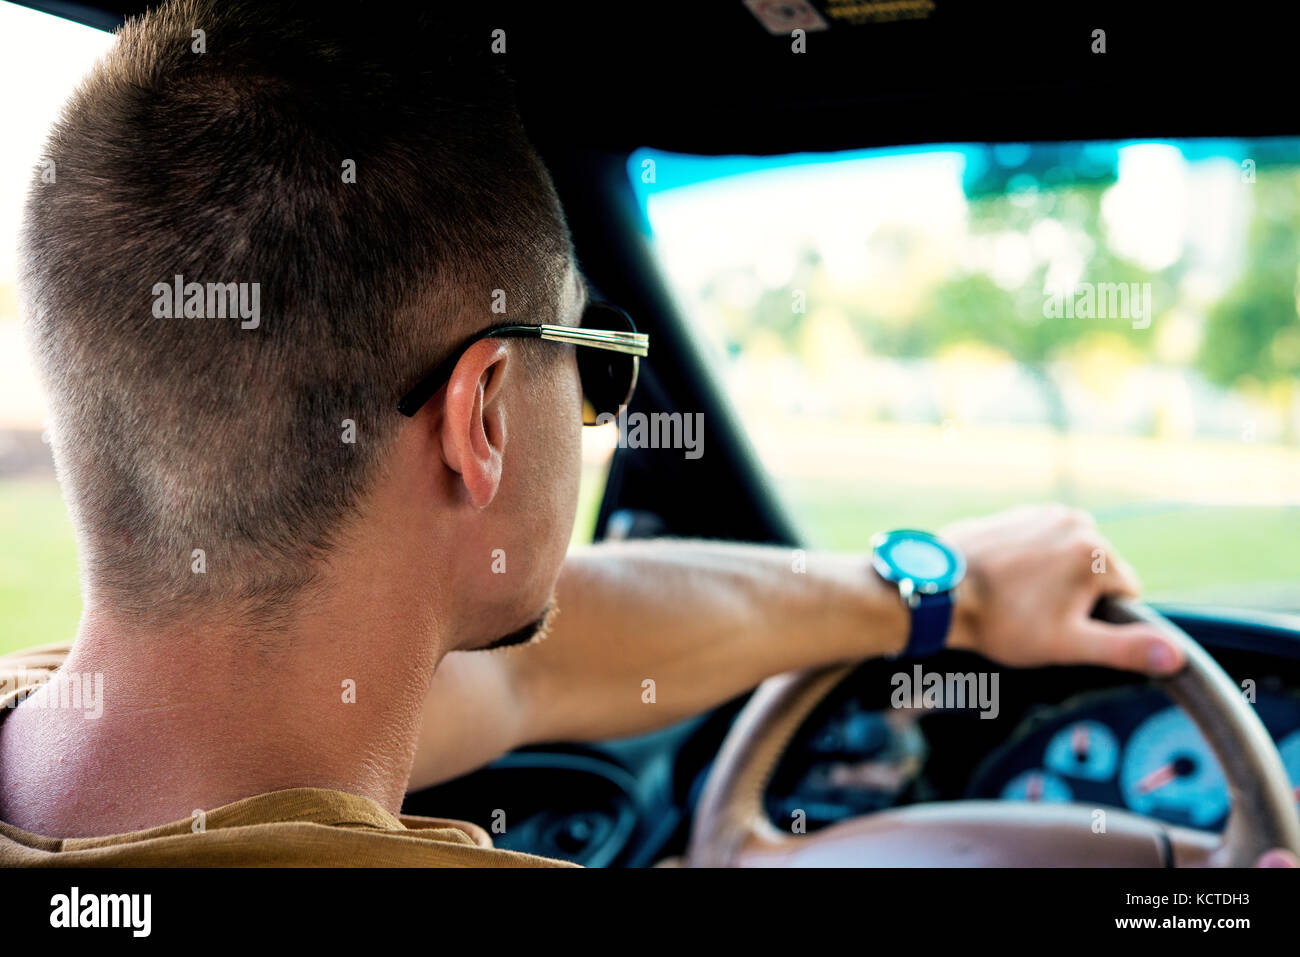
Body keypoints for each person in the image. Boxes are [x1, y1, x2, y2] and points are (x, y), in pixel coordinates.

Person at [0, 0, 1291, 868]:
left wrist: (932, 594)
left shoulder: (79, 712)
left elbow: (532, 673)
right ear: (486, 414)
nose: (608, 409)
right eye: (597, 363)